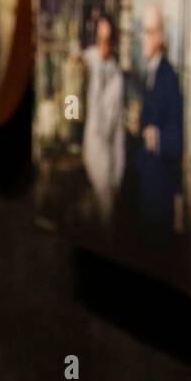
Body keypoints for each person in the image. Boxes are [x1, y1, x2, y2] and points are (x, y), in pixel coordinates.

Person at [133, 5, 184, 237]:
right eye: (143, 31)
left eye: (149, 31)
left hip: (160, 187)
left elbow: (179, 139)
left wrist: (156, 136)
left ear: (161, 37)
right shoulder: (150, 73)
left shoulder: (168, 77)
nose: (143, 38)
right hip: (147, 182)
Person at [82, 14, 125, 227]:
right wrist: (70, 116)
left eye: (107, 40)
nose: (103, 46)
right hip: (89, 146)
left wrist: (118, 173)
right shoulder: (87, 59)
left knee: (105, 217)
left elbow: (119, 131)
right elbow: (70, 96)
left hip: (107, 156)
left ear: (114, 42)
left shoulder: (117, 75)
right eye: (100, 39)